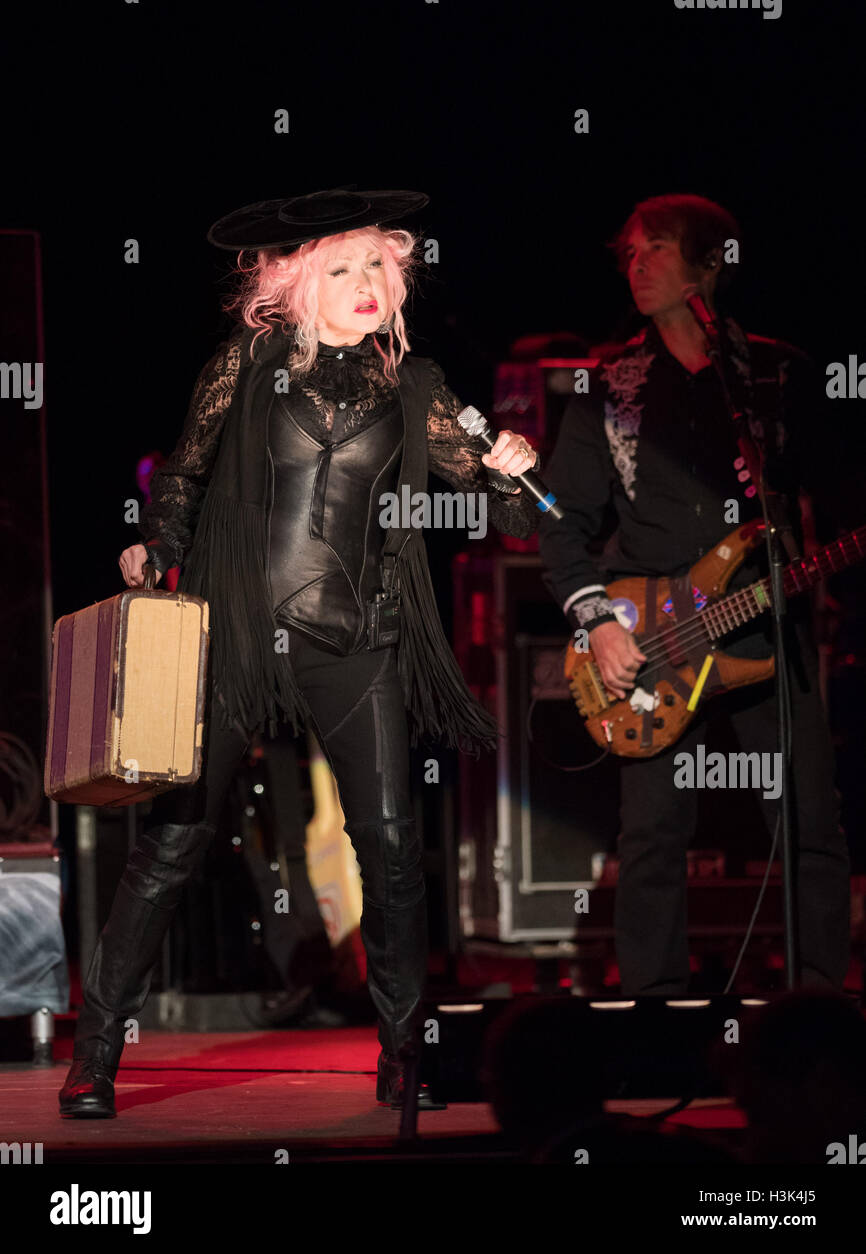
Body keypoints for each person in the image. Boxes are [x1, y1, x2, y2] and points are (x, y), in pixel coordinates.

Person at [59, 186, 540, 1117]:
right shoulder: (247, 364)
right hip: (239, 629)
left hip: (354, 638)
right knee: (171, 845)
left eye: (378, 268)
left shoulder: (413, 387)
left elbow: (506, 512)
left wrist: (512, 472)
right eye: (343, 268)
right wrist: (154, 546)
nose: (366, 285)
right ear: (294, 282)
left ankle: (404, 1058)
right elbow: (184, 477)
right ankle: (94, 1059)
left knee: (392, 849)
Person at [538, 192, 855, 997]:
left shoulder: (777, 373)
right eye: (630, 253)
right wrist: (599, 623)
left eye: (657, 250)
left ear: (710, 265)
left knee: (809, 828)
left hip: (765, 625)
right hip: (650, 642)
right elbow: (562, 524)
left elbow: (834, 492)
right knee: (650, 839)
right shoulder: (609, 385)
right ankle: (653, 1017)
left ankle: (817, 1010)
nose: (636, 265)